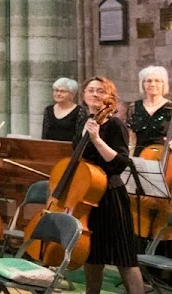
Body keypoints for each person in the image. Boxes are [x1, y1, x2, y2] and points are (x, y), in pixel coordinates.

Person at [78, 76, 145, 294]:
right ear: (84, 94)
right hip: (89, 195)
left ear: (110, 97)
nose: (95, 94)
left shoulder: (115, 124)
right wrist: (84, 134)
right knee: (93, 254)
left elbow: (120, 163)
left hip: (111, 196)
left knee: (124, 257)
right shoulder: (85, 121)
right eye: (90, 90)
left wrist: (96, 139)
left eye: (100, 91)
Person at [127, 65, 171, 155]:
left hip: (164, 157)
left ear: (164, 84)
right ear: (143, 84)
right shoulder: (133, 107)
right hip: (139, 156)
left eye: (157, 81)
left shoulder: (170, 108)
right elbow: (131, 137)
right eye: (148, 81)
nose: (153, 84)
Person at [41, 77, 85, 142]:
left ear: (72, 94)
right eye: (56, 90)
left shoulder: (79, 111)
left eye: (62, 91)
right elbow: (44, 135)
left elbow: (79, 137)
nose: (58, 94)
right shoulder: (48, 110)